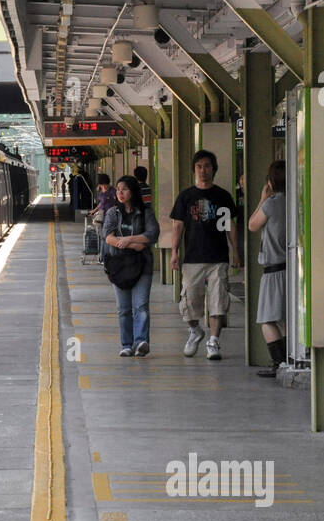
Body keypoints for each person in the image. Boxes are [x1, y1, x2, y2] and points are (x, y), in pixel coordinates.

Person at [170, 150, 239, 360]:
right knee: (189, 300)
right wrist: (174, 252)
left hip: (217, 256)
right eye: (199, 166)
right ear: (194, 170)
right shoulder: (186, 196)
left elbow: (229, 225)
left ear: (214, 169)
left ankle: (214, 341)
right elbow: (178, 226)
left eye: (207, 166)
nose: (203, 170)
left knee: (218, 300)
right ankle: (195, 330)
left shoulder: (222, 196)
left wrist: (235, 251)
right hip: (192, 257)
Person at [103, 175, 160, 358]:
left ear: (133, 192)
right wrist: (133, 244)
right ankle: (127, 344)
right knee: (123, 308)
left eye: (124, 189)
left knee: (141, 305)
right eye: (118, 189)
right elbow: (107, 236)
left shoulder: (145, 212)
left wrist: (127, 239)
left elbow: (152, 234)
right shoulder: (113, 213)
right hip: (119, 265)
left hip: (142, 265)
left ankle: (141, 341)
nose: (120, 193)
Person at [248, 160, 288, 377]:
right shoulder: (298, 201)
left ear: (271, 182)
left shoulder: (271, 203)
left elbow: (252, 225)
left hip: (273, 270)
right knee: (287, 319)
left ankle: (279, 362)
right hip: (293, 268)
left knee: (267, 319)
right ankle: (293, 358)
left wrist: (263, 199)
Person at [90, 173, 117, 262]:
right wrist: (94, 211)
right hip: (102, 216)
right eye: (101, 185)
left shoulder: (113, 191)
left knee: (107, 237)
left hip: (111, 216)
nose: (103, 186)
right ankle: (103, 257)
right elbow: (101, 204)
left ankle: (105, 257)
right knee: (103, 237)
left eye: (104, 184)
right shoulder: (101, 191)